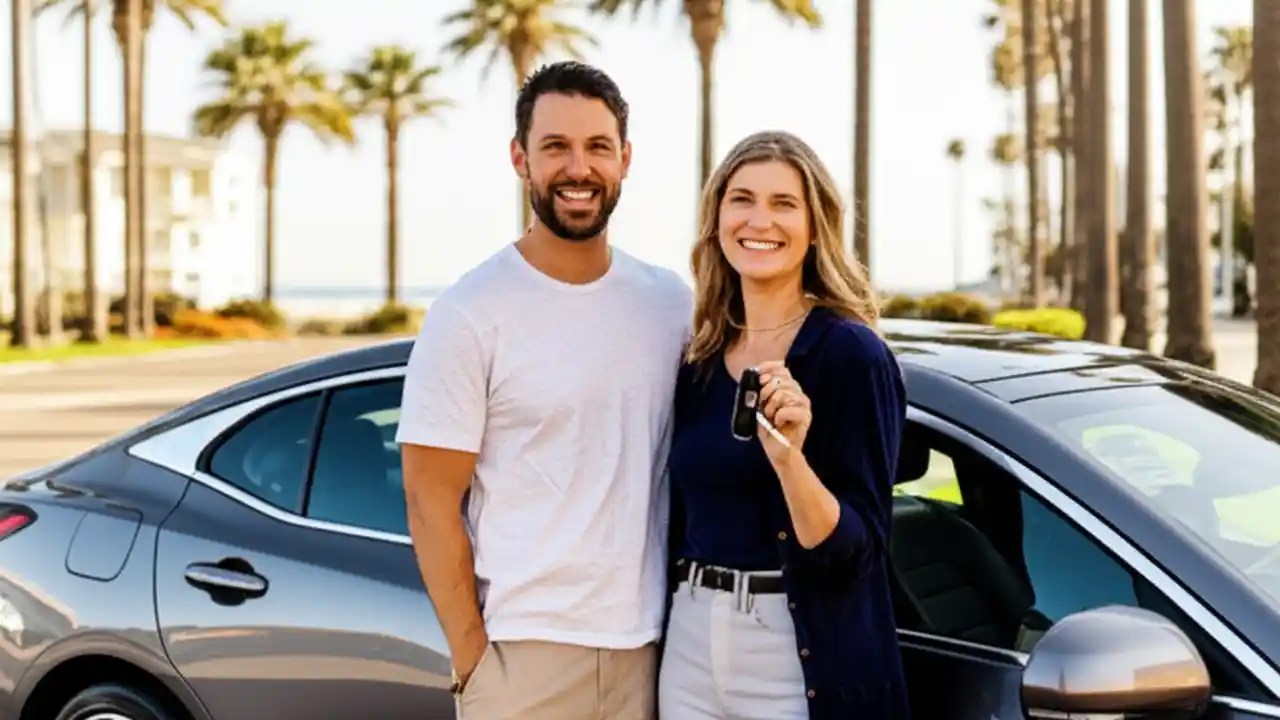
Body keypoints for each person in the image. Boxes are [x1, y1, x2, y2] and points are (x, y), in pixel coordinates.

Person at [396, 61, 692, 719]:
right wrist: (475, 663)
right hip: (523, 660)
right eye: (555, 146)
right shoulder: (470, 312)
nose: (578, 169)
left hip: (652, 654)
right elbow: (428, 498)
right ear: (520, 159)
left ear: (625, 159)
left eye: (597, 147)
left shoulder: (670, 305)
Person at [657, 130, 910, 719]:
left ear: (815, 227)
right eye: (742, 199)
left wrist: (790, 460)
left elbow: (858, 555)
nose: (759, 220)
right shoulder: (699, 359)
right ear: (717, 219)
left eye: (784, 204)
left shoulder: (851, 356)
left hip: (791, 656)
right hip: (690, 645)